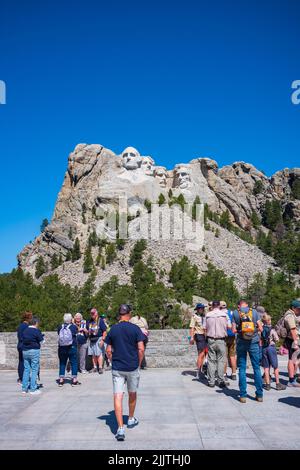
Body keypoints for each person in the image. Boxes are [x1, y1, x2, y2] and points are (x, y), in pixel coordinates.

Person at [105, 304, 145, 442]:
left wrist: (112, 361)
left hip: (117, 367)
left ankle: (120, 428)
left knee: (118, 396)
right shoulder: (135, 329)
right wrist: (138, 363)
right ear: (129, 314)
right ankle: (131, 418)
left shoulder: (113, 329)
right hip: (132, 367)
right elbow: (140, 349)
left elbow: (108, 350)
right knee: (132, 393)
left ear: (119, 314)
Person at [232, 300, 263, 403]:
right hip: (253, 342)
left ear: (239, 305)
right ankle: (259, 395)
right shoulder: (254, 312)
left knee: (242, 368)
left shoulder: (236, 313)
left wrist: (241, 330)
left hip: (241, 342)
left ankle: (243, 395)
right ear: (247, 305)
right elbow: (261, 329)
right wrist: (253, 330)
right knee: (256, 368)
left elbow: (233, 330)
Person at [205, 300, 230, 388]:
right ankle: (220, 380)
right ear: (219, 306)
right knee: (221, 360)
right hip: (221, 339)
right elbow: (229, 326)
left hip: (211, 339)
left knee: (211, 360)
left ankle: (211, 381)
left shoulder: (208, 315)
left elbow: (205, 328)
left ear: (212, 306)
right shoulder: (224, 315)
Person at [261, 314, 286, 391]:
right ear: (268, 321)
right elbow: (277, 339)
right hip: (271, 348)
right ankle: (278, 384)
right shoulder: (271, 329)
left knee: (266, 367)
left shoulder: (261, 329)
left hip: (264, 348)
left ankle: (267, 384)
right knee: (275, 366)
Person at [21, 316, 44, 395]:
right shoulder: (36, 331)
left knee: (26, 369)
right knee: (34, 370)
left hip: (25, 351)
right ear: (36, 323)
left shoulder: (25, 330)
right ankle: (33, 389)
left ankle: (24, 388)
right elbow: (42, 341)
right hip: (34, 351)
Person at [57, 313, 80, 386]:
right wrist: (73, 323)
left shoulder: (60, 326)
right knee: (74, 362)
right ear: (70, 319)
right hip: (72, 347)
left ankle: (61, 380)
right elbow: (78, 331)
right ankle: (74, 380)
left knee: (62, 363)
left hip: (62, 348)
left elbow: (58, 334)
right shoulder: (73, 327)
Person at [282, 300, 300, 387]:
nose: (299, 310)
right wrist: (296, 342)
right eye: (298, 309)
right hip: (293, 340)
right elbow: (293, 330)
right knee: (292, 359)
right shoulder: (289, 316)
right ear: (293, 308)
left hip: (295, 339)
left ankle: (296, 378)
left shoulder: (294, 314)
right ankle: (291, 380)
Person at [189, 303, 207, 379]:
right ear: (197, 309)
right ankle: (198, 371)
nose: (202, 309)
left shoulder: (205, 316)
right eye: (200, 308)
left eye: (202, 308)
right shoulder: (194, 316)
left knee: (206, 353)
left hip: (206, 336)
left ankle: (203, 369)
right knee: (201, 353)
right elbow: (192, 327)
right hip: (199, 335)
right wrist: (191, 337)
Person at [87, 308, 107, 374]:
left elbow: (104, 331)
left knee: (99, 354)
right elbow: (88, 330)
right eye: (91, 313)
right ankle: (95, 367)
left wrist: (103, 340)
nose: (92, 314)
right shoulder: (89, 321)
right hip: (91, 339)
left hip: (98, 338)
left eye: (93, 313)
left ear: (96, 313)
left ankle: (100, 367)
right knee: (93, 354)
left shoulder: (100, 320)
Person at [221, 301, 237, 381]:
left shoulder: (220, 314)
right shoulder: (232, 312)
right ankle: (234, 373)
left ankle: (224, 373)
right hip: (232, 336)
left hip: (224, 336)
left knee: (224, 356)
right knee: (232, 356)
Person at [17, 311, 33, 384]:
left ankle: (20, 378)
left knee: (21, 362)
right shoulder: (27, 326)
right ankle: (23, 378)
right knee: (25, 363)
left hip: (20, 345)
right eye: (31, 317)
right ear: (28, 318)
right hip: (25, 346)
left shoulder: (20, 326)